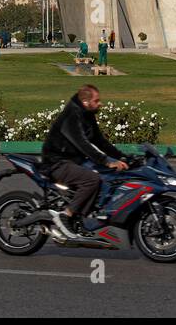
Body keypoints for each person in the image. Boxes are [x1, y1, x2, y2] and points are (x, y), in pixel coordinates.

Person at [41, 84, 128, 238]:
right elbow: (82, 144)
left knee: (105, 177)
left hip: (73, 160)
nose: (100, 103)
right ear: (86, 102)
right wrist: (107, 161)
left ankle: (82, 218)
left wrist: (122, 157)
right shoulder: (71, 116)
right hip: (56, 162)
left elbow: (100, 141)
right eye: (97, 100)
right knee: (91, 179)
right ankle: (66, 215)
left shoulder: (86, 113)